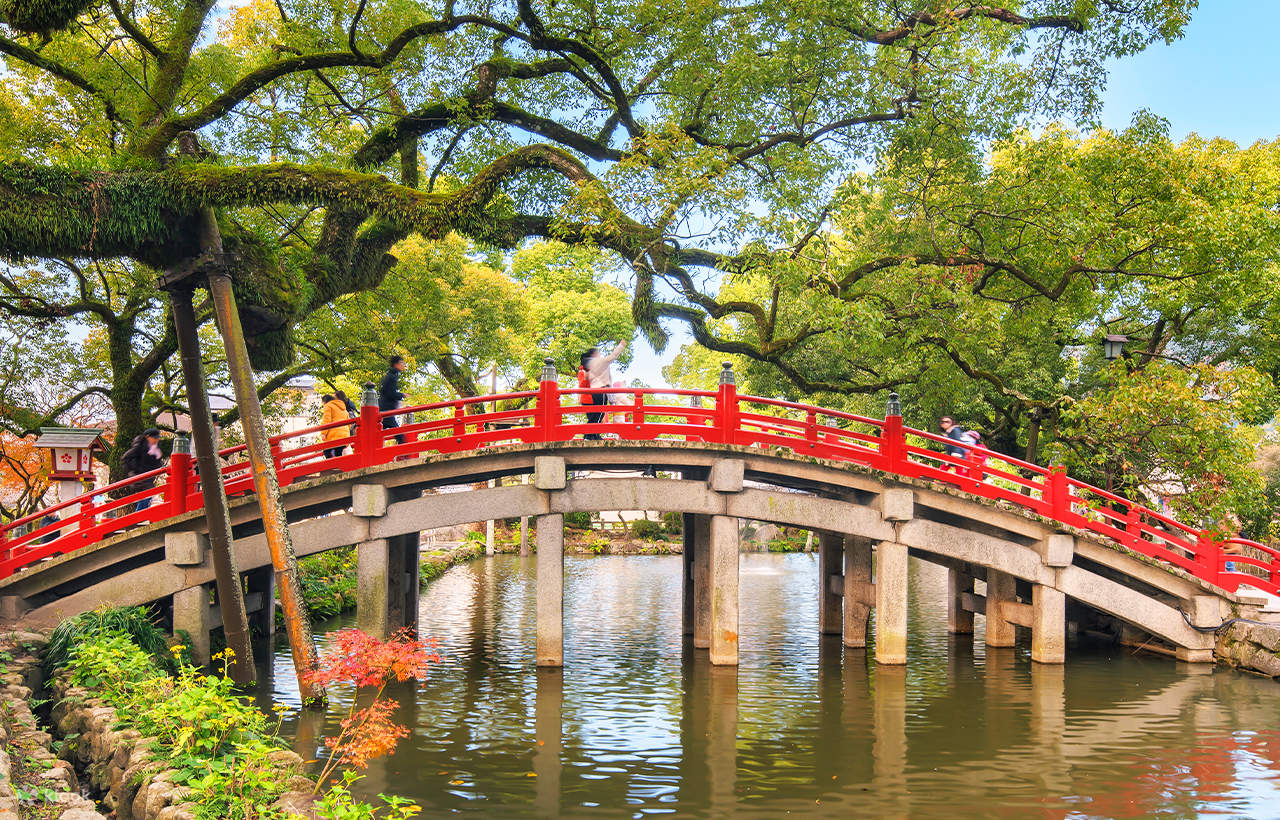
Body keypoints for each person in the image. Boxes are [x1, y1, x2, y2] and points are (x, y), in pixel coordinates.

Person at [582, 340, 627, 440]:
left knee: (596, 413)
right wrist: (621, 346)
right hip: (601, 389)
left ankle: (593, 434)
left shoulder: (589, 365)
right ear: (594, 355)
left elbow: (586, 377)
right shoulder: (600, 362)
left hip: (593, 390)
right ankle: (590, 435)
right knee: (600, 413)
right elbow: (612, 356)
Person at [122, 428, 165, 511]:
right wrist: (136, 469)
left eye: (157, 438)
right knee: (147, 495)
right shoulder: (140, 446)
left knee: (147, 497)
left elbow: (155, 465)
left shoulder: (154, 449)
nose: (156, 440)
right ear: (148, 437)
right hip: (139, 476)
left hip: (148, 478)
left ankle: (140, 517)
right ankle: (138, 517)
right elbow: (126, 458)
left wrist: (158, 459)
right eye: (155, 438)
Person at [379, 356, 407, 445]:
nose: (403, 365)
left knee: (379, 435)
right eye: (401, 363)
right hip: (386, 410)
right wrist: (401, 395)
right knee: (400, 436)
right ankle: (404, 454)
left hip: (385, 410)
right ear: (396, 364)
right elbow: (389, 393)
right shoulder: (391, 377)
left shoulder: (391, 375)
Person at [320, 393, 349, 458]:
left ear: (325, 401)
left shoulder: (328, 406)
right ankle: (338, 467)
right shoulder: (344, 408)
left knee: (326, 451)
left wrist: (323, 433)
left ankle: (332, 466)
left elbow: (327, 420)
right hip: (344, 435)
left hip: (334, 435)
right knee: (338, 453)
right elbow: (349, 423)